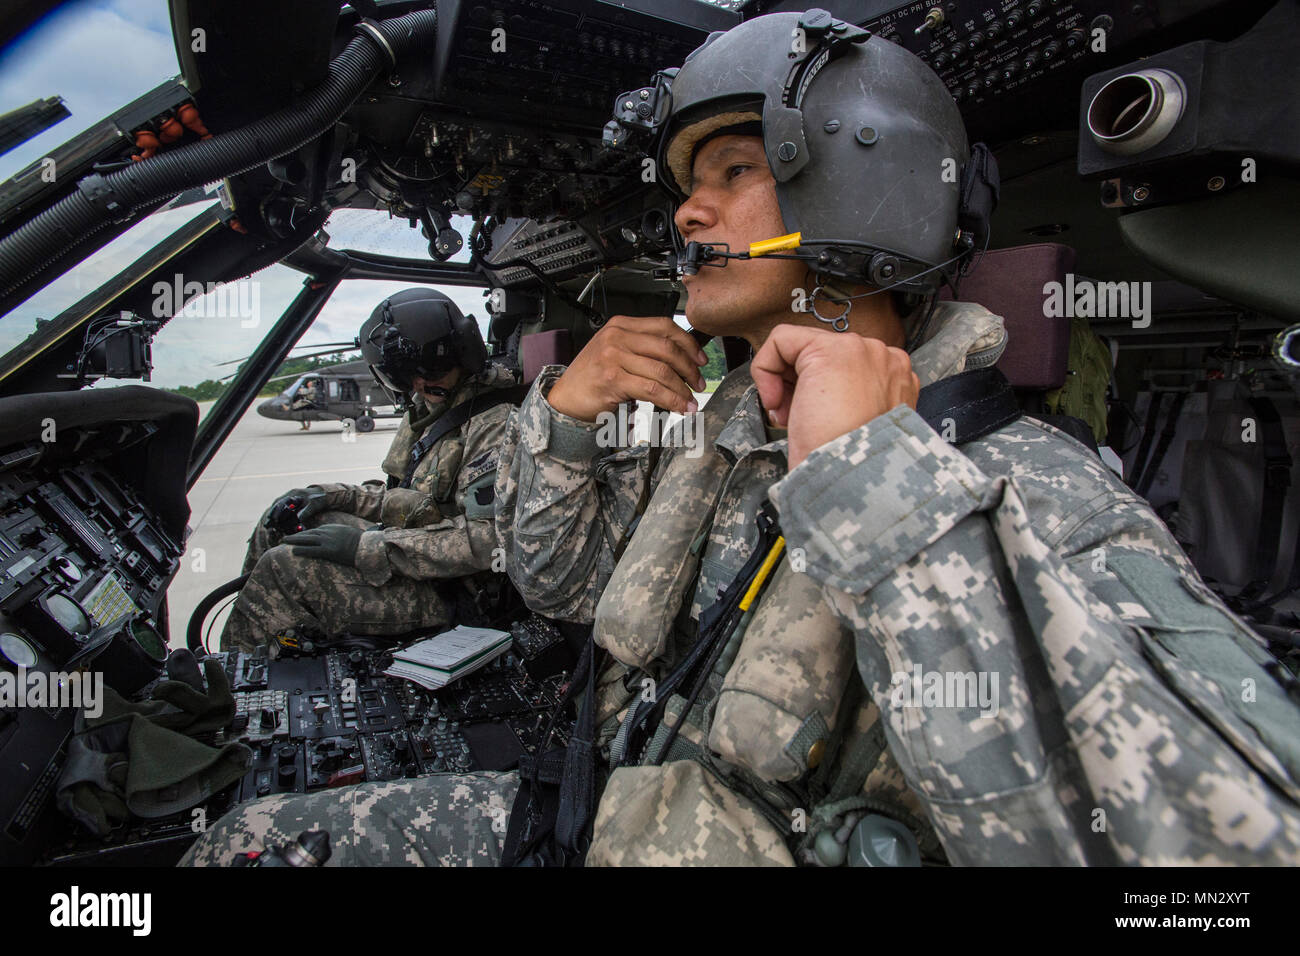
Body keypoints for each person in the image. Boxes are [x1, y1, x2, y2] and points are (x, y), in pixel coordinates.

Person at [183, 10, 1300, 866]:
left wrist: (877, 485)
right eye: (682, 186)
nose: (684, 213)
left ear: (864, 178)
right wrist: (563, 427)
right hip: (610, 799)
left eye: (732, 169)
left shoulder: (1030, 489)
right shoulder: (724, 439)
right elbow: (565, 592)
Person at [220, 288, 523, 653]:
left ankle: (233, 692)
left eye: (430, 370)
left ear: (466, 351)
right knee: (283, 522)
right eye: (406, 376)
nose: (419, 385)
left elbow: (487, 541)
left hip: (458, 593)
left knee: (284, 568)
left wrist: (366, 547)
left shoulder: (496, 421)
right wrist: (332, 495)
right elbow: (407, 497)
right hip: (413, 556)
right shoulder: (435, 408)